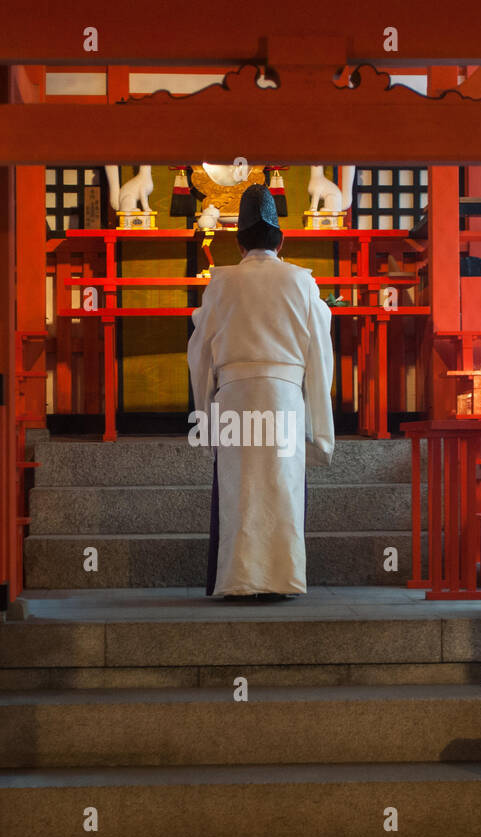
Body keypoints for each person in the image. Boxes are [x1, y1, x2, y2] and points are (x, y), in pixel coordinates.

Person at [187, 183, 335, 597]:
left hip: (235, 398)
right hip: (284, 398)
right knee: (282, 485)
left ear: (237, 243)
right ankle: (282, 579)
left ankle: (237, 579)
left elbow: (199, 352)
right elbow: (319, 356)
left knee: (239, 488)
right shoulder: (302, 283)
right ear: (281, 239)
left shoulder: (221, 283)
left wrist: (203, 416)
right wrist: (320, 429)